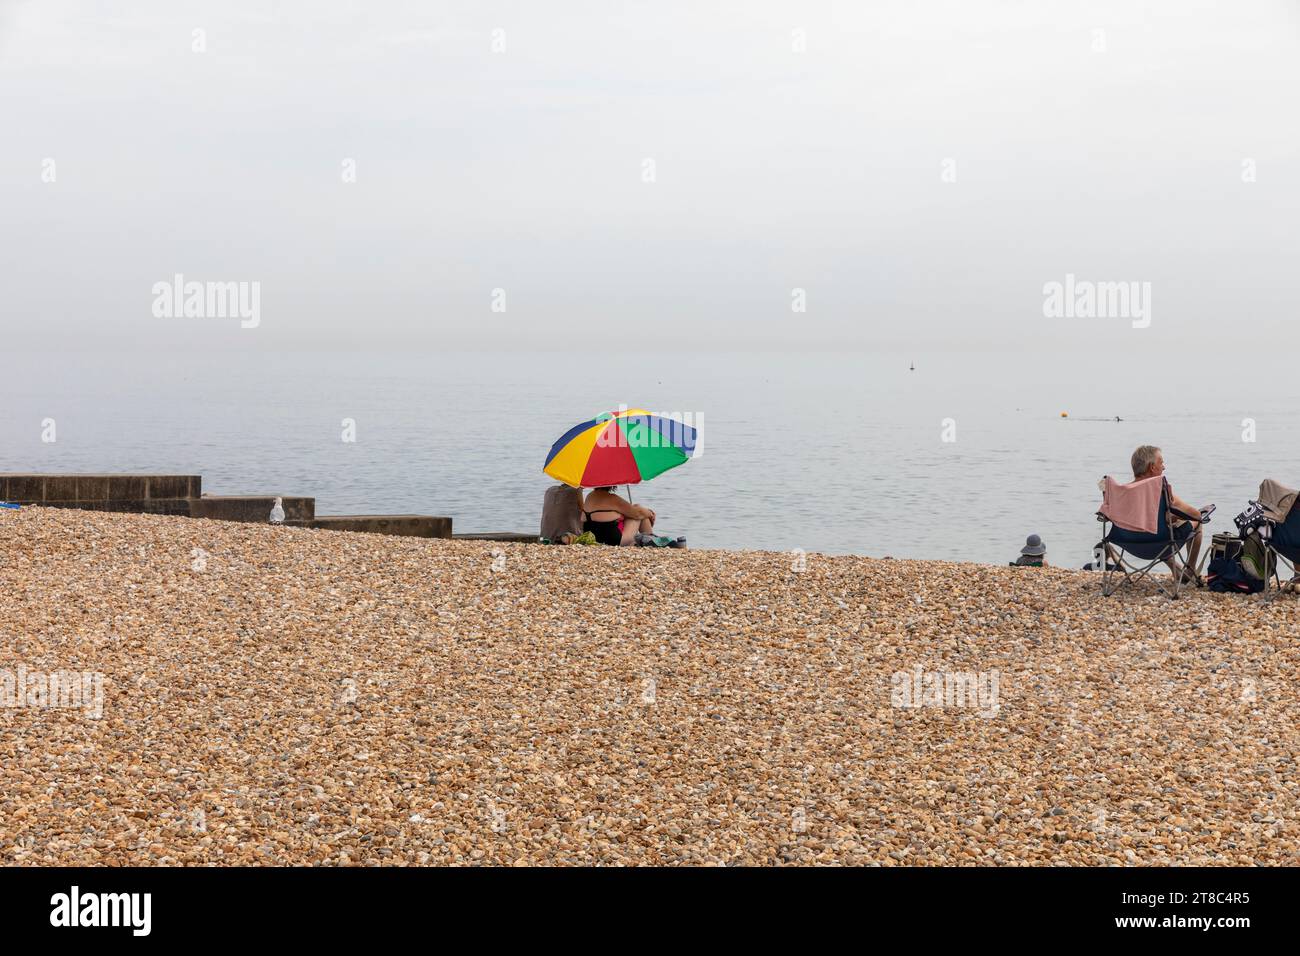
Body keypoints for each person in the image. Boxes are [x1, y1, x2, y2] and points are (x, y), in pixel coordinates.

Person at [1130, 444, 1206, 585]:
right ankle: (1189, 570)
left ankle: (1175, 569)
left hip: (1130, 543)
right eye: (1161, 462)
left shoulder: (1123, 493)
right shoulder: (1161, 491)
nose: (1164, 467)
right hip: (1159, 543)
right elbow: (1195, 514)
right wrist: (1178, 516)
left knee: (1163, 525)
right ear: (1152, 467)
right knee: (1198, 522)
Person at [583, 486, 656, 547]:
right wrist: (650, 513)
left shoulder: (589, 496)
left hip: (593, 539)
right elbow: (637, 514)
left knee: (637, 509)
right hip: (614, 541)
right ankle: (651, 542)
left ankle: (648, 539)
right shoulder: (612, 498)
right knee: (640, 512)